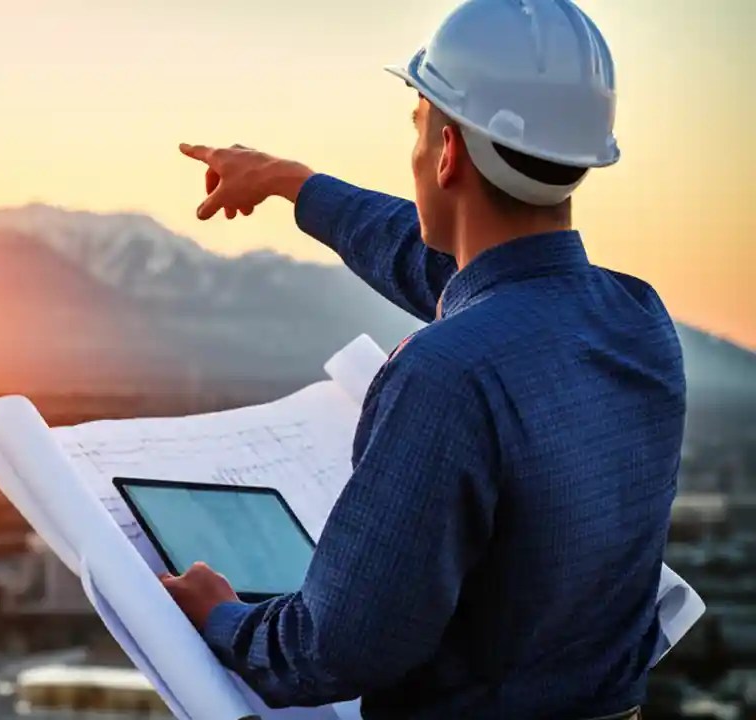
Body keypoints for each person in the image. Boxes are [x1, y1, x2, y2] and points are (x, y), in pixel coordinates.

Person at [164, 1, 684, 718]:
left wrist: (220, 616)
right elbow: (450, 273)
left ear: (446, 154)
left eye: (418, 129)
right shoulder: (636, 321)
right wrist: (291, 181)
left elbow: (333, 651)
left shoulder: (447, 375)